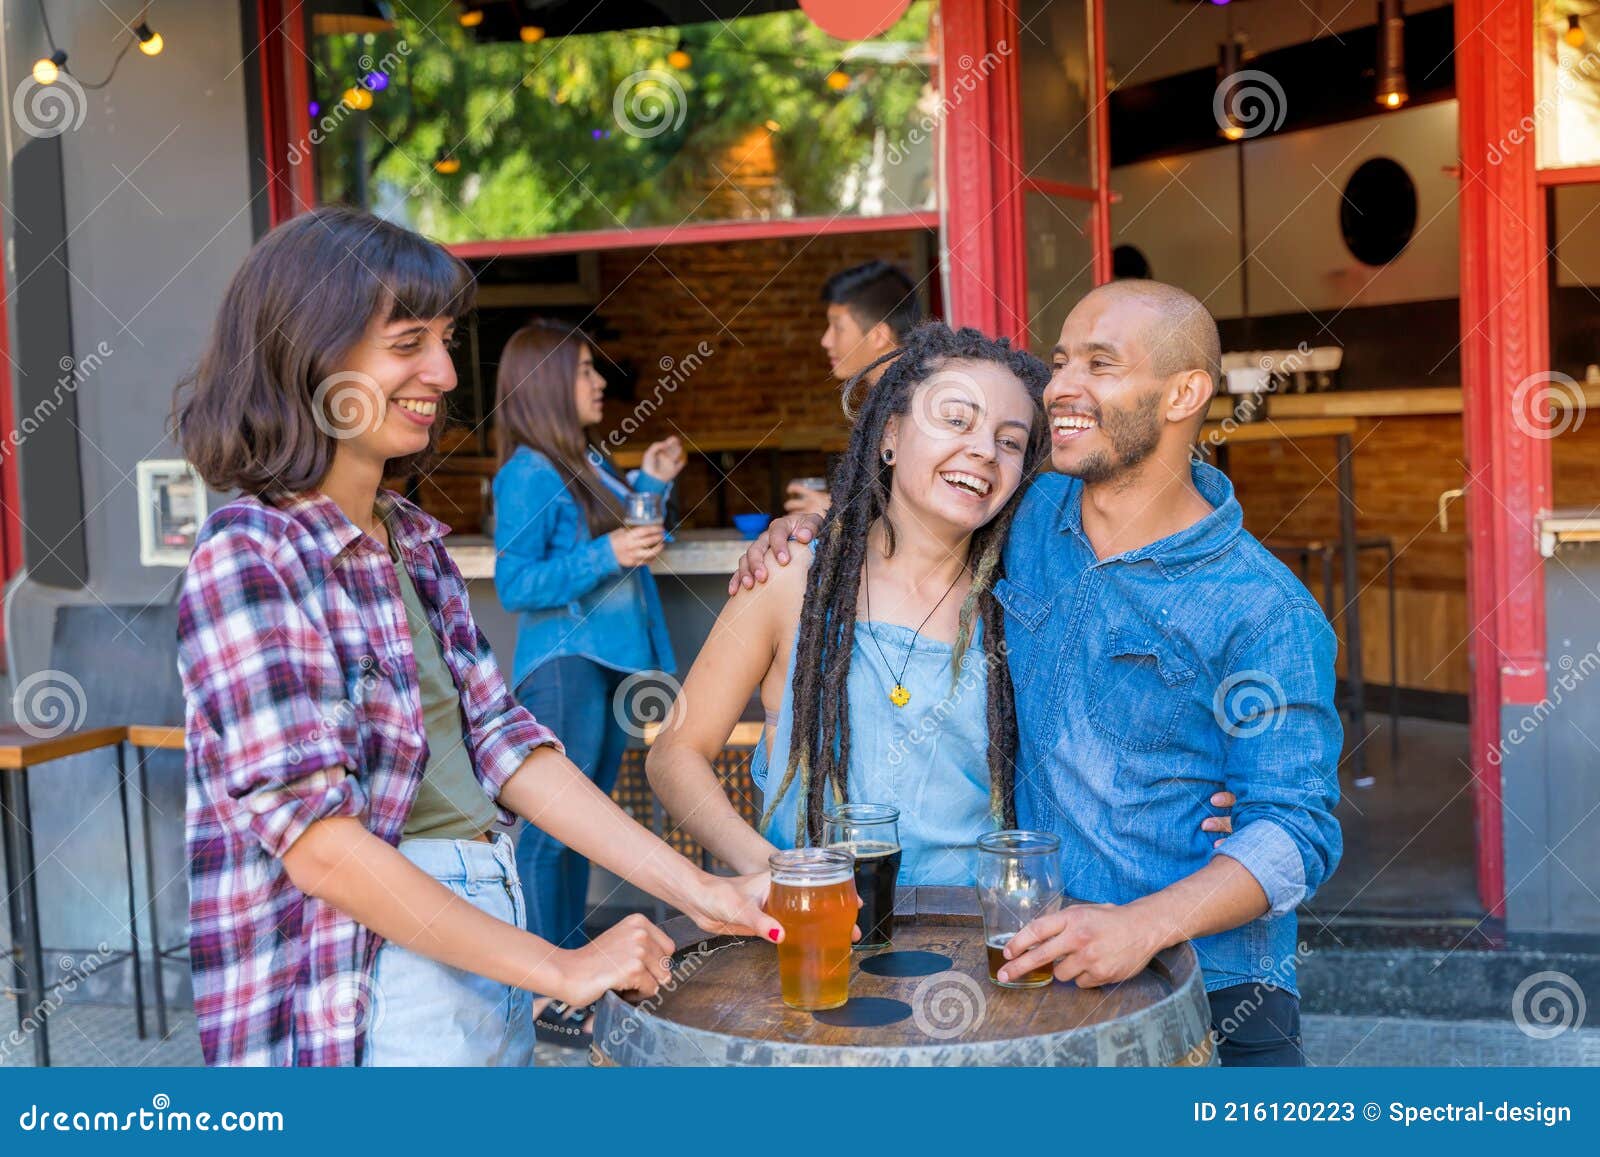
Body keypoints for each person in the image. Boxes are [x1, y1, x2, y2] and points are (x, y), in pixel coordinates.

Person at [173, 207, 778, 1067]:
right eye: (408, 340)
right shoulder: (252, 553)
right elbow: (323, 850)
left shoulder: (411, 539)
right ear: (308, 352)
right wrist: (563, 966)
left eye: (447, 339)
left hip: (479, 929)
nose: (446, 372)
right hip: (361, 979)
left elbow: (507, 747)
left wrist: (703, 890)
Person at [733, 279, 1342, 1067]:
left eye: (1100, 363)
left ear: (1185, 393)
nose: (1060, 388)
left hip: (1211, 988)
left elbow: (1298, 831)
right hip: (1041, 971)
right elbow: (913, 500)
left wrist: (1144, 923)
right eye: (1059, 362)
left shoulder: (1262, 607)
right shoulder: (1028, 515)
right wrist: (815, 529)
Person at [651, 322, 1234, 886]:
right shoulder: (796, 578)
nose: (983, 450)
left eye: (1010, 441)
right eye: (955, 419)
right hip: (821, 932)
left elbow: (1133, 712)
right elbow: (677, 752)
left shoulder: (1022, 599)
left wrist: (1200, 795)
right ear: (890, 435)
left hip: (975, 942)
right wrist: (771, 870)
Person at [490, 319, 686, 1044]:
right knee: (548, 839)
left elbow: (624, 540)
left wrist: (653, 486)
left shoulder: (585, 462)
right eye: (582, 370)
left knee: (577, 835)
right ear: (545, 384)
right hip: (564, 669)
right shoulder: (529, 472)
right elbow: (516, 582)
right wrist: (607, 551)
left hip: (599, 666)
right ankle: (545, 995)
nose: (599, 380)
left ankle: (574, 981)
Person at [785, 260, 923, 518]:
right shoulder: (886, 399)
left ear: (879, 335)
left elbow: (921, 517)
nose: (825, 340)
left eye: (837, 327)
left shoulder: (914, 407)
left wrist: (832, 509)